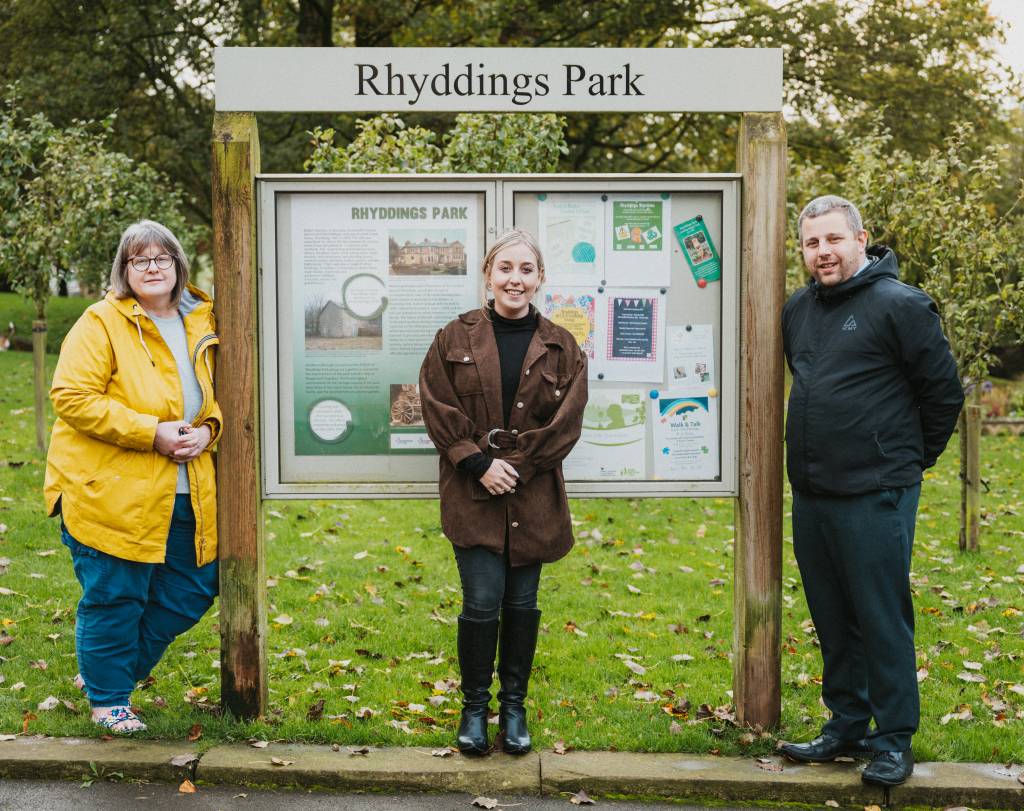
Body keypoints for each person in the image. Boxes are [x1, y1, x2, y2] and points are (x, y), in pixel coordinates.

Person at [780, 196, 963, 786]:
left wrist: (904, 464)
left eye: (833, 239)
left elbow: (943, 395)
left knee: (880, 615)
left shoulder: (901, 305)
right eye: (811, 243)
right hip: (813, 493)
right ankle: (847, 723)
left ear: (862, 239)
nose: (822, 253)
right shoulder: (799, 309)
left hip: (876, 492)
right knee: (831, 616)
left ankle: (892, 738)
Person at [44, 220, 222, 733]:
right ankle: (109, 700)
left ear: (178, 265)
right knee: (116, 594)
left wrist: (208, 430)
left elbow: (220, 400)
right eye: (138, 260)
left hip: (189, 486)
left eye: (160, 258)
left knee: (195, 584)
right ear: (123, 270)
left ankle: (105, 670)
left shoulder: (201, 320)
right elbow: (72, 397)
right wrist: (152, 432)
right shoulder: (100, 321)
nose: (151, 268)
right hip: (112, 487)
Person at [419, 229, 587, 756]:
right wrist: (478, 463)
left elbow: (566, 422)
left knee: (522, 603)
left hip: (533, 492)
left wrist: (513, 466)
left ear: (540, 279)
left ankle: (513, 708)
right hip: (473, 493)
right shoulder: (453, 337)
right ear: (488, 275)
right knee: (482, 601)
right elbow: (435, 403)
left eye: (526, 270)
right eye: (505, 268)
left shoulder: (562, 344)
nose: (515, 279)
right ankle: (474, 709)